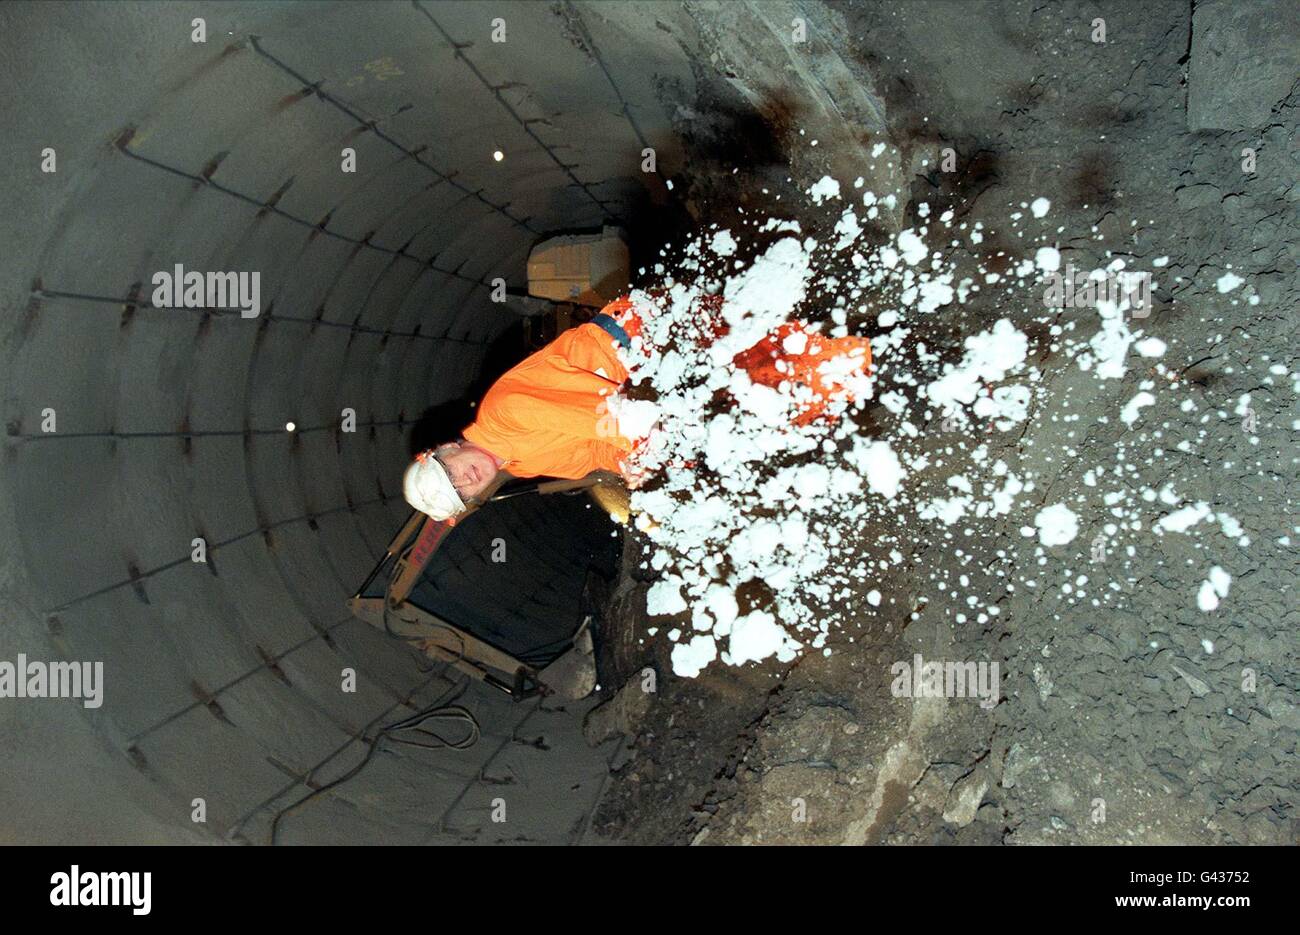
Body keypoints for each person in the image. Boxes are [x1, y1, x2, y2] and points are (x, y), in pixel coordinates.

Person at [402, 294, 872, 522]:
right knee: (758, 389)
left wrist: (657, 463)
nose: (467, 480)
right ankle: (848, 373)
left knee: (766, 366)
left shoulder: (503, 414)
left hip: (645, 335)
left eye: (452, 473)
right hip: (647, 373)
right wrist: (638, 471)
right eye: (463, 492)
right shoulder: (523, 463)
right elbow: (598, 454)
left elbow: (614, 418)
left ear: (446, 450)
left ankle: (870, 356)